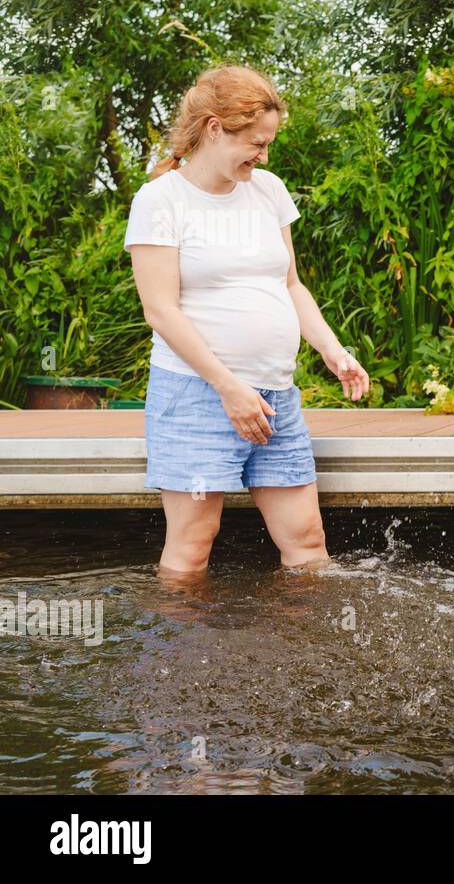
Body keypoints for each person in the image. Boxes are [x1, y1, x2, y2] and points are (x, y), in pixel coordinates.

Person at [123, 64, 370, 575]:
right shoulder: (160, 200)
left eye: (268, 144)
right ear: (215, 129)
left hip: (275, 396)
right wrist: (228, 387)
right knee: (194, 542)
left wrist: (333, 350)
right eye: (256, 143)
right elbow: (160, 311)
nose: (263, 156)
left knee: (306, 540)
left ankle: (305, 654)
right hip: (196, 393)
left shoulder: (268, 190)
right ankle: (182, 655)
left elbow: (290, 284)